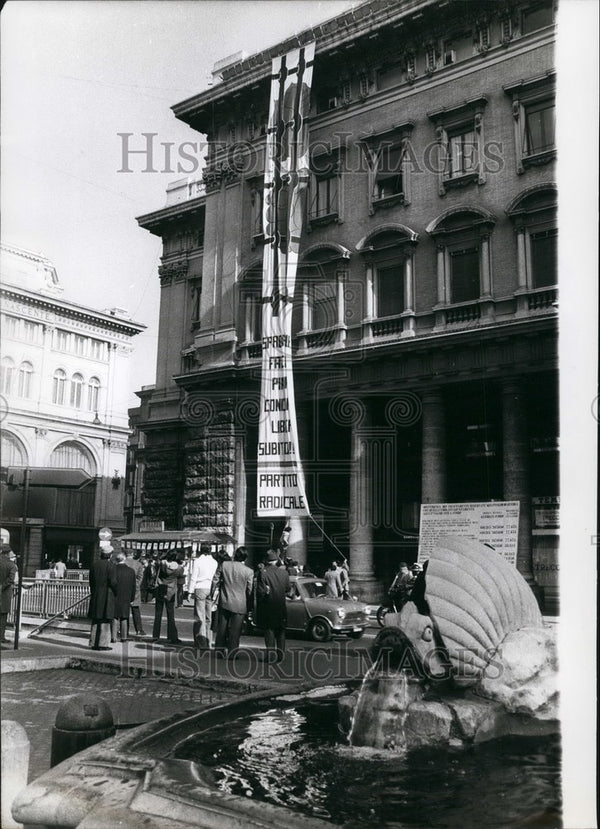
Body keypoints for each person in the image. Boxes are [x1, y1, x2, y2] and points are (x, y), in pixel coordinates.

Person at [211, 547, 253, 656]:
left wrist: (211, 594)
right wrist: (249, 603)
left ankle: (219, 651)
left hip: (225, 600)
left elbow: (215, 580)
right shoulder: (248, 571)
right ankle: (232, 653)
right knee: (235, 631)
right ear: (245, 558)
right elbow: (249, 590)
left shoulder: (225, 565)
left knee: (222, 628)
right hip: (240, 604)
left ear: (235, 554)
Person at [256, 548, 291, 663]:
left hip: (268, 606)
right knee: (281, 631)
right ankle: (281, 656)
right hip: (281, 605)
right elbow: (288, 589)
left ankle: (270, 656)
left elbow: (260, 592)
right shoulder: (284, 573)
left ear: (267, 560)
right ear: (276, 560)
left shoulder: (263, 572)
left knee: (269, 630)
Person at [185, 543, 217, 649]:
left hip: (200, 587)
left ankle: (200, 642)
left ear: (201, 550)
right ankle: (208, 641)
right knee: (209, 617)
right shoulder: (214, 562)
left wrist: (189, 591)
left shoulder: (198, 561)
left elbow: (194, 577)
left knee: (199, 617)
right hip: (210, 588)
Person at [88, 548, 117, 650]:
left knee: (96, 619)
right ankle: (103, 644)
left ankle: (93, 643)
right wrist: (116, 592)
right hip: (107, 596)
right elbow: (113, 582)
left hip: (96, 595)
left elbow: (91, 581)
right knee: (105, 620)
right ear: (110, 555)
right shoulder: (111, 566)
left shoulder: (94, 565)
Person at [152, 552, 183, 644]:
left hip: (160, 588)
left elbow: (156, 562)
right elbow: (181, 580)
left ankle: (155, 636)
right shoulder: (179, 568)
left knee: (158, 614)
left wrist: (162, 557)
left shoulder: (162, 564)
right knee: (170, 614)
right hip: (171, 591)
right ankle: (172, 636)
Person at [111, 552, 136, 643]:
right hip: (126, 596)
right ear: (124, 559)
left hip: (114, 595)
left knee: (114, 616)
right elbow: (134, 586)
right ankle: (124, 637)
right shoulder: (131, 571)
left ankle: (113, 637)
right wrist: (132, 598)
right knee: (124, 617)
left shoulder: (113, 569)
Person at [124, 551, 147, 636]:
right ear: (133, 554)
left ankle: (124, 630)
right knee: (136, 610)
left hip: (124, 588)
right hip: (135, 589)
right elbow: (140, 577)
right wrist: (136, 585)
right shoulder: (138, 564)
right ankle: (139, 629)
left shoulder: (122, 563)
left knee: (124, 611)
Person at [1, 544, 18, 645]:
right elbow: (11, 579)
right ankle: (1, 637)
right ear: (8, 553)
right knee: (3, 617)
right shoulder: (12, 565)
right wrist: (2, 587)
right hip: (5, 594)